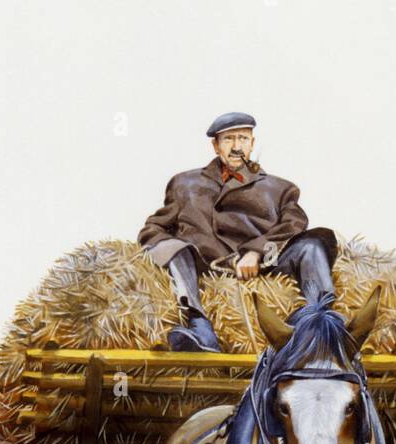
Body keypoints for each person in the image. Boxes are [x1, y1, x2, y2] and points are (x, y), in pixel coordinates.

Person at [138, 111, 338, 352]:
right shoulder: (184, 183)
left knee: (312, 245)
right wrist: (176, 249)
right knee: (172, 248)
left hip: (266, 263)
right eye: (228, 139)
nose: (236, 147)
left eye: (242, 138)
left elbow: (294, 222)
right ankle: (199, 326)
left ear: (252, 143)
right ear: (215, 146)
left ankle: (321, 321)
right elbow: (153, 228)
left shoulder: (280, 188)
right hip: (205, 264)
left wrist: (257, 251)